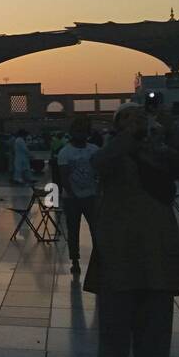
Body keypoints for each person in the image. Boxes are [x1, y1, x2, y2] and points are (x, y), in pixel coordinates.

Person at [85, 103, 179, 357]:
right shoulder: (114, 152)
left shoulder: (161, 155)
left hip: (157, 245)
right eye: (127, 118)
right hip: (119, 245)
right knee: (114, 315)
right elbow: (99, 162)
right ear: (118, 125)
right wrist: (130, 136)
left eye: (139, 117)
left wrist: (170, 127)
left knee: (155, 315)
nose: (135, 121)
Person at [57, 115, 100, 275]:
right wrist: (73, 194)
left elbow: (100, 171)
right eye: (79, 131)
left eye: (84, 131)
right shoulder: (65, 152)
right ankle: (75, 260)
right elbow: (64, 177)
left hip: (91, 196)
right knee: (73, 231)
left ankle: (98, 260)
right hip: (72, 199)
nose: (81, 134)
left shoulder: (94, 150)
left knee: (96, 230)